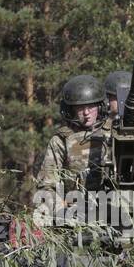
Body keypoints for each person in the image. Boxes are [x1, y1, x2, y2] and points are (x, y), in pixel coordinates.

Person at [34, 75, 108, 221]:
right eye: (80, 107)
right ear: (70, 109)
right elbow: (47, 187)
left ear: (101, 107)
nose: (86, 113)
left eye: (91, 106)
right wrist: (64, 213)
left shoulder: (115, 134)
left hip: (114, 208)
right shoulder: (61, 140)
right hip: (76, 211)